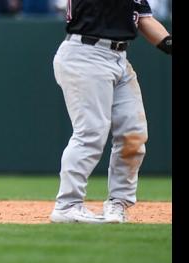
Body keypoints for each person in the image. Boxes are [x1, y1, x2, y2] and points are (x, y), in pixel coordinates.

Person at [50, 0, 170, 224]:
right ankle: (67, 205)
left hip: (119, 58)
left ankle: (118, 203)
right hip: (85, 54)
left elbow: (145, 20)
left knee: (133, 134)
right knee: (91, 133)